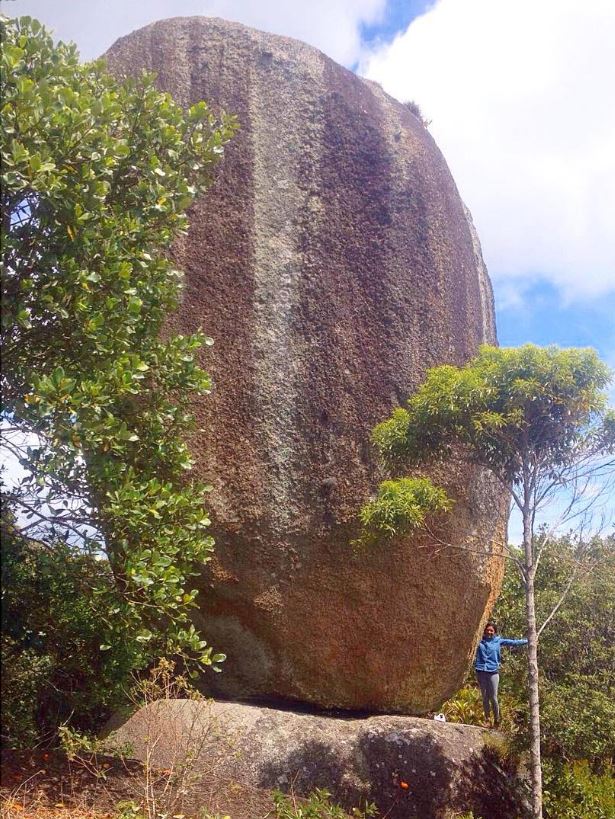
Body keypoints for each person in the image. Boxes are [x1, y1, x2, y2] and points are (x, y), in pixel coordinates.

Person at [474, 621, 527, 727]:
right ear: (484, 631)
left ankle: (497, 719)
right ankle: (487, 720)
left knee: (493, 697)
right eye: (487, 630)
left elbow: (514, 642)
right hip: (481, 671)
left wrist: (528, 640)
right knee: (484, 697)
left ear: (494, 632)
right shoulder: (480, 641)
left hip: (493, 672)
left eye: (491, 630)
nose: (489, 632)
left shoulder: (498, 641)